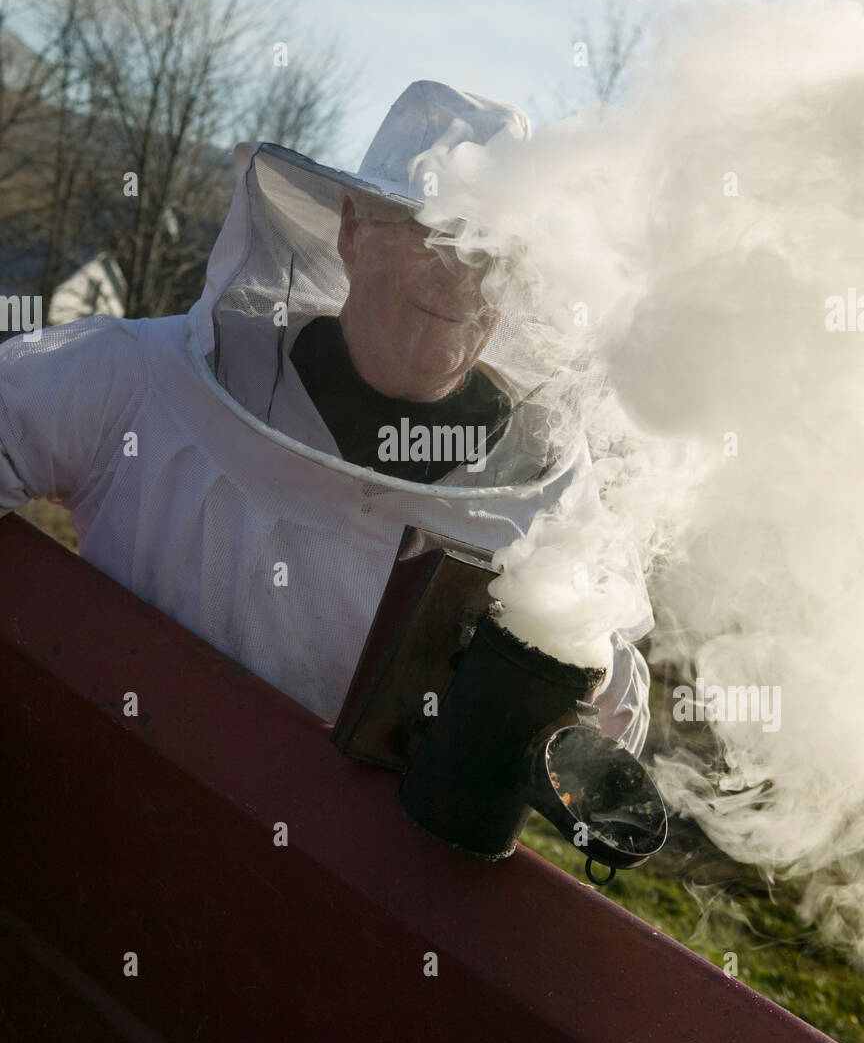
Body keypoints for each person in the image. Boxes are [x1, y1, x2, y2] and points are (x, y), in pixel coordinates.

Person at [0, 80, 652, 748]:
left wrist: (577, 672)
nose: (462, 275)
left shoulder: (550, 491)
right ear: (351, 230)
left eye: (493, 253)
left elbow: (613, 726)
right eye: (432, 232)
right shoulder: (144, 379)